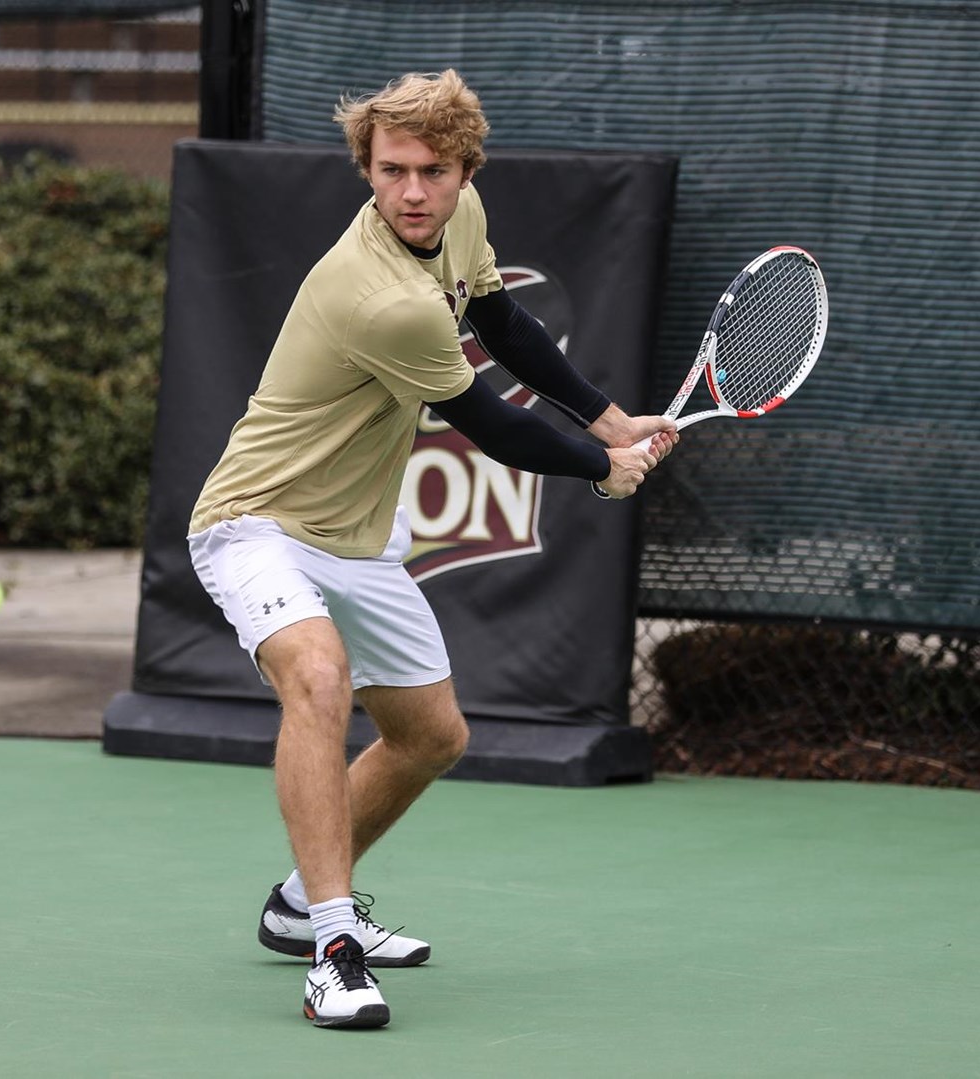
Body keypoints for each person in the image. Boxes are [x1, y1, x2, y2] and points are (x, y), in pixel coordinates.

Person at [186, 69, 677, 1030]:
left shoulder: (461, 219)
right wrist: (600, 468)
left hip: (359, 533)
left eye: (433, 171)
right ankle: (332, 944)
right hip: (256, 523)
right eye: (391, 171)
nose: (412, 192)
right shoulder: (380, 297)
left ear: (464, 171)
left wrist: (615, 421)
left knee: (432, 737)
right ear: (366, 170)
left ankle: (294, 905)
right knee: (319, 680)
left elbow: (504, 323)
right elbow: (489, 422)